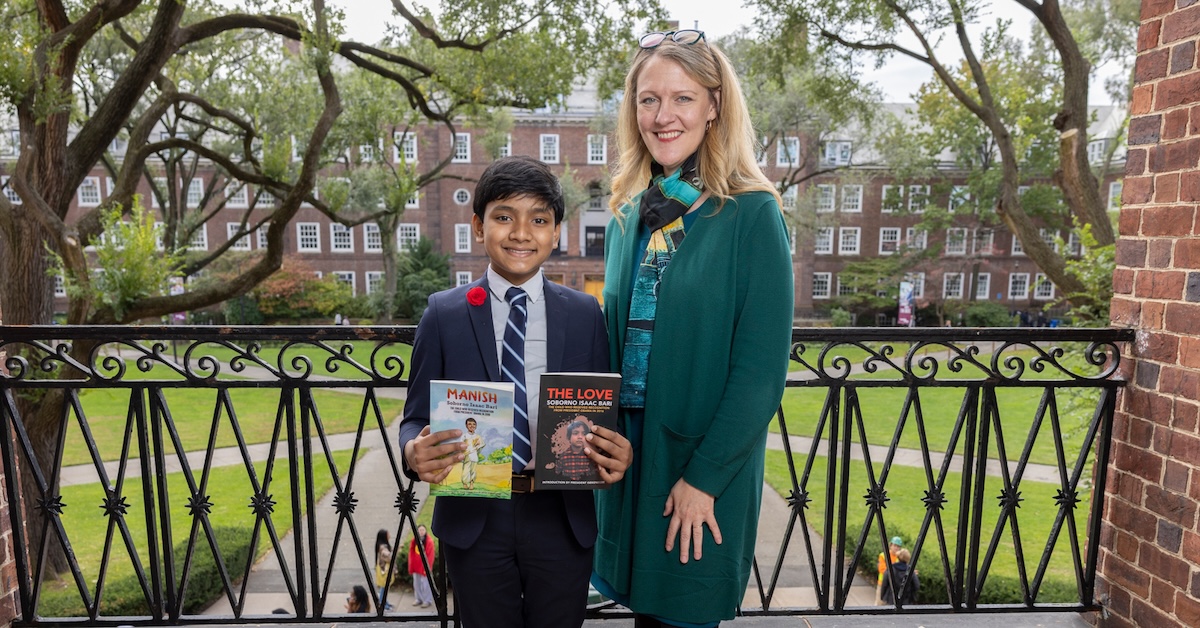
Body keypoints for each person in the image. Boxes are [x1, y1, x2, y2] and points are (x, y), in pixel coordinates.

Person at [591, 28, 794, 628]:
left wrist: (702, 480)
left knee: (683, 616)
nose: (663, 115)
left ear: (714, 106)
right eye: (648, 99)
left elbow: (760, 373)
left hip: (701, 473)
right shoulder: (633, 212)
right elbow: (610, 336)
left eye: (682, 98)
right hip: (628, 461)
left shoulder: (752, 213)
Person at [399, 155, 634, 628]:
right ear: (479, 227)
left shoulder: (586, 314)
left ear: (557, 233)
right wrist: (412, 449)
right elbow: (414, 414)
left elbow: (601, 412)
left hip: (560, 515)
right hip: (474, 516)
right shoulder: (444, 314)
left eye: (539, 220)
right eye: (504, 216)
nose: (521, 233)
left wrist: (616, 450)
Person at [408, 524, 436, 608]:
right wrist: (411, 566)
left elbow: (430, 556)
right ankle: (418, 599)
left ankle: (427, 600)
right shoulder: (414, 540)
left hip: (424, 567)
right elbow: (411, 553)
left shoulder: (429, 541)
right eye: (419, 530)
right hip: (416, 566)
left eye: (423, 530)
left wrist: (427, 567)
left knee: (426, 584)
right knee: (417, 584)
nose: (421, 532)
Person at [876, 536, 903, 604]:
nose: (896, 548)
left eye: (898, 546)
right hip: (882, 583)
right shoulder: (883, 555)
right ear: (890, 545)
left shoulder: (900, 557)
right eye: (895, 546)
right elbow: (882, 569)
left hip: (894, 586)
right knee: (879, 604)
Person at [374, 529, 394, 610]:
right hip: (384, 569)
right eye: (388, 534)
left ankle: (385, 602)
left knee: (384, 586)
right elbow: (388, 557)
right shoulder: (383, 547)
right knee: (384, 587)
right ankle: (383, 603)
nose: (389, 535)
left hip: (382, 568)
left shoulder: (381, 545)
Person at [461, 418, 483, 489]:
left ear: (476, 426)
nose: (472, 426)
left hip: (474, 456)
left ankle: (471, 483)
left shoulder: (477, 436)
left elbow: (481, 445)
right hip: (467, 455)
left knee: (473, 471)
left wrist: (477, 446)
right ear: (466, 426)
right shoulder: (464, 436)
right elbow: (460, 445)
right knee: (466, 470)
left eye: (473, 424)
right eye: (469, 424)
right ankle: (465, 483)